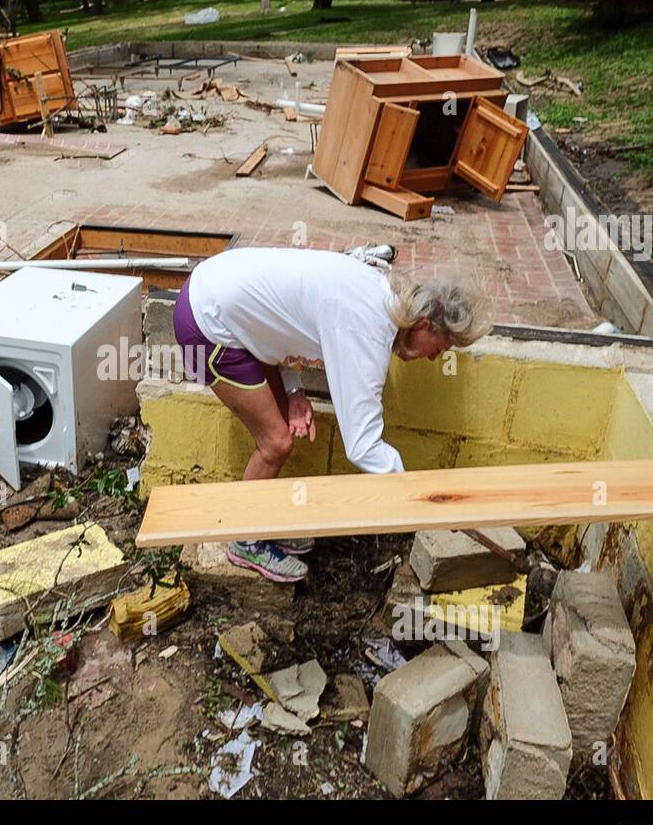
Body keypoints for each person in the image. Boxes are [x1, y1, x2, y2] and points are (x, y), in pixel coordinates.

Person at [172, 246, 490, 583]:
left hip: (221, 293)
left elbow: (279, 319)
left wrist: (294, 392)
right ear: (424, 325)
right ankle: (244, 540)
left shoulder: (379, 288)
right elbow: (362, 446)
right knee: (276, 443)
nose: (430, 359)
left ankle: (259, 524)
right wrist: (420, 497)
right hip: (207, 324)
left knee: (278, 429)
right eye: (438, 350)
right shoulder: (367, 330)